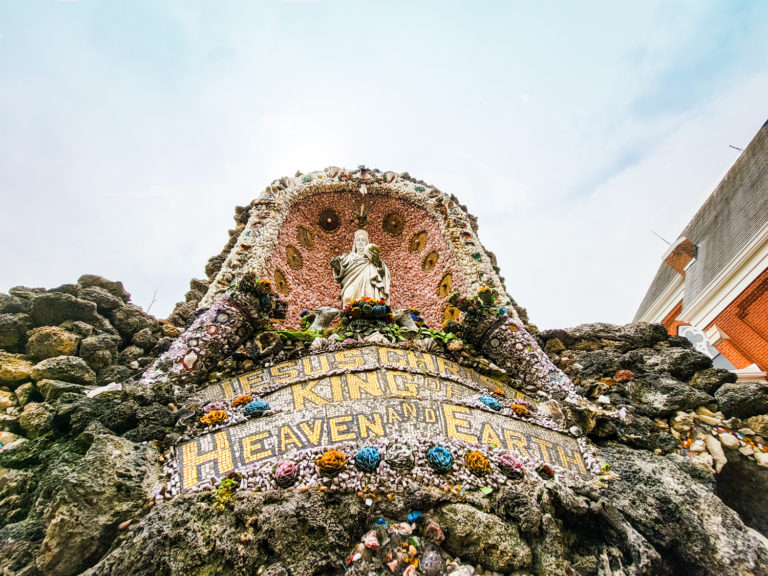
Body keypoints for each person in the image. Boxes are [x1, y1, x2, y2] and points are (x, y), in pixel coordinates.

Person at [331, 229, 390, 306]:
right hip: (351, 282)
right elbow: (341, 274)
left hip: (368, 283)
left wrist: (378, 262)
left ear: (366, 243)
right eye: (358, 240)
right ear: (355, 244)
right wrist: (338, 268)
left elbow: (382, 272)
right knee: (347, 298)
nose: (360, 242)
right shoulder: (349, 257)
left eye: (363, 240)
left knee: (370, 300)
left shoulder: (372, 257)